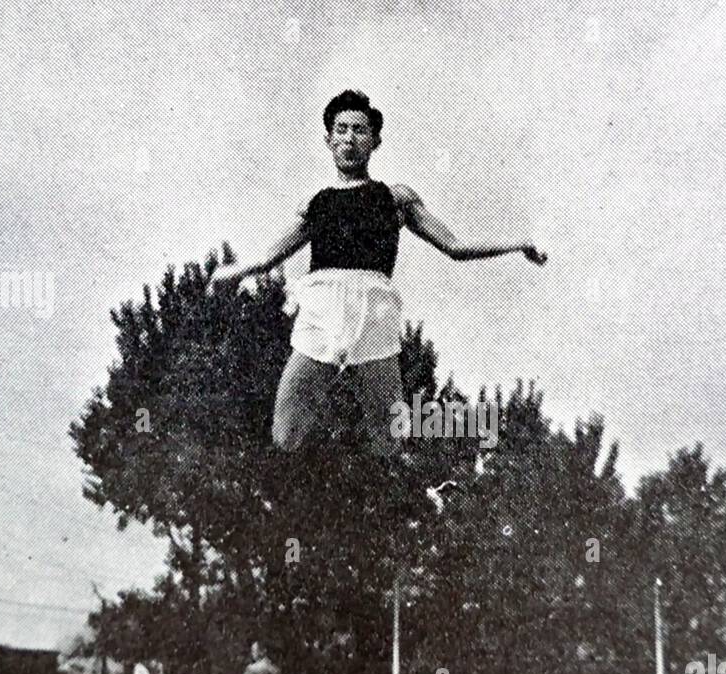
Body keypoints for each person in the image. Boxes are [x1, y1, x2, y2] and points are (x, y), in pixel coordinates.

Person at [207, 89, 547, 464]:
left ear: (375, 141)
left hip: (374, 315)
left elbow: (455, 247)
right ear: (328, 139)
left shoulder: (395, 198)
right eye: (341, 130)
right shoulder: (316, 203)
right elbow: (268, 258)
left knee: (390, 442)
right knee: (285, 434)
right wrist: (227, 274)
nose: (349, 140)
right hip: (322, 313)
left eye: (359, 131)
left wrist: (518, 244)